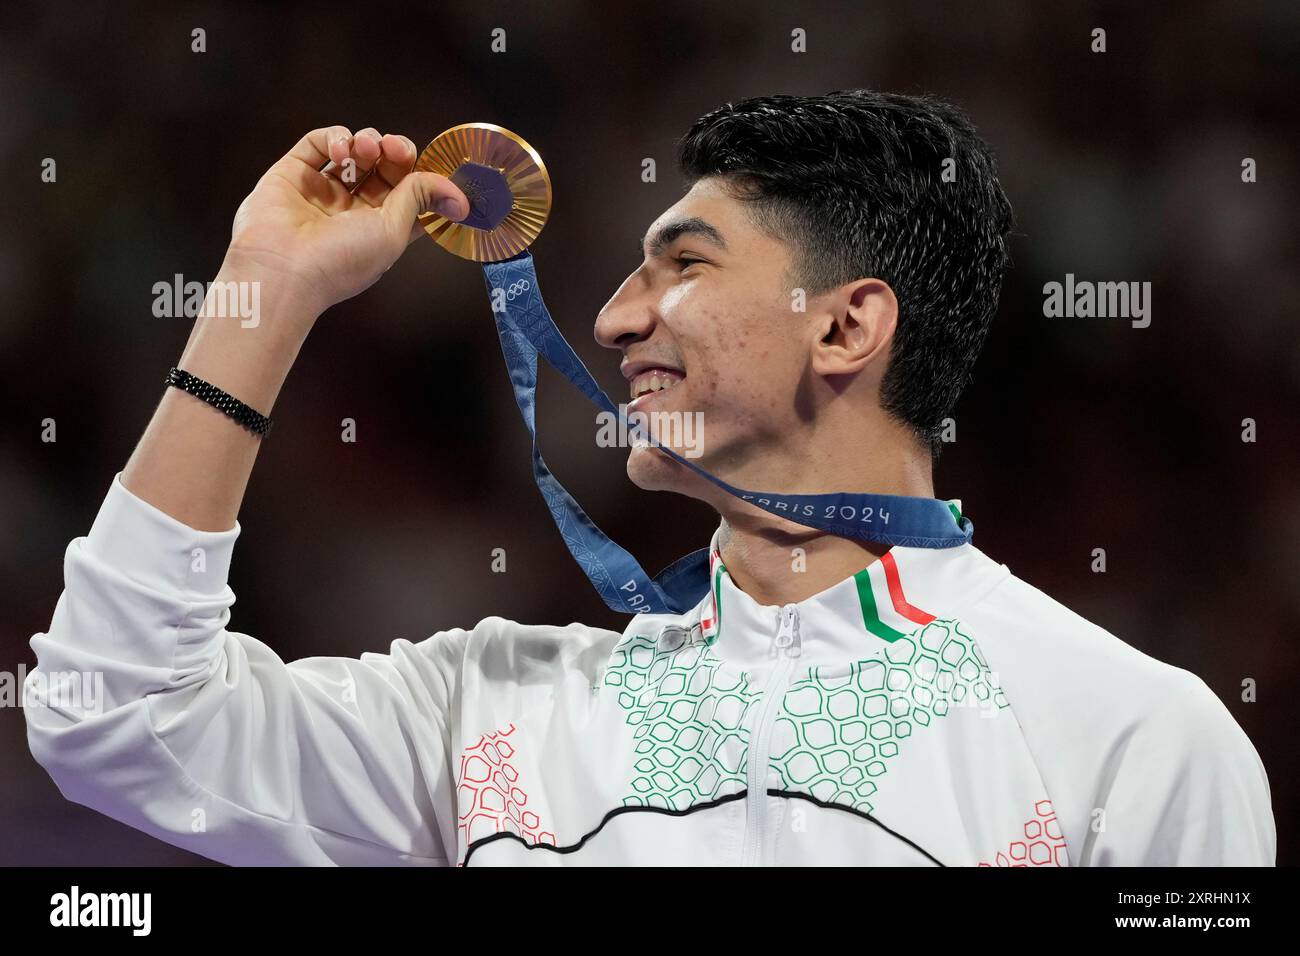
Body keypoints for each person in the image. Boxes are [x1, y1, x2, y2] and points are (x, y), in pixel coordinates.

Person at [24, 91, 1276, 866]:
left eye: (680, 264)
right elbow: (113, 713)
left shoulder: (1133, 740)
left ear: (843, 328)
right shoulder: (491, 713)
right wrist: (267, 287)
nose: (615, 322)